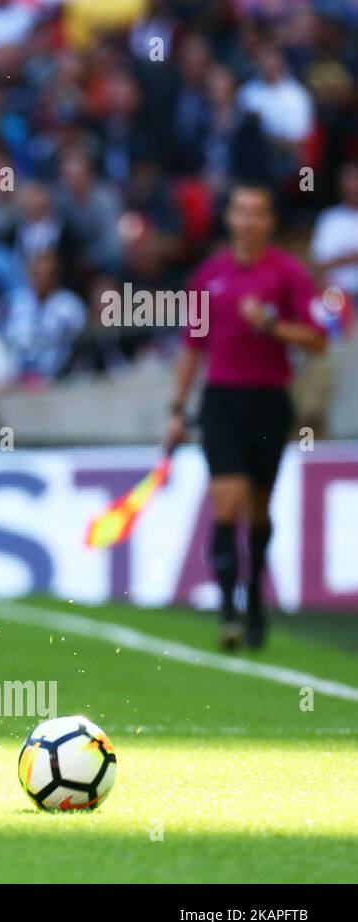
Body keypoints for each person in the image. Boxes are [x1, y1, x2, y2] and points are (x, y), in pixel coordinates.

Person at [165, 183, 327, 650]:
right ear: (230, 219)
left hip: (269, 401)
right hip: (221, 402)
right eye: (241, 212)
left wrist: (273, 325)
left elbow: (318, 339)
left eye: (258, 213)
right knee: (227, 502)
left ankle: (254, 593)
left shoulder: (289, 274)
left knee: (259, 508)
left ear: (270, 221)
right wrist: (178, 410)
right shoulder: (208, 275)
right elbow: (192, 348)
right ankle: (229, 611)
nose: (249, 221)